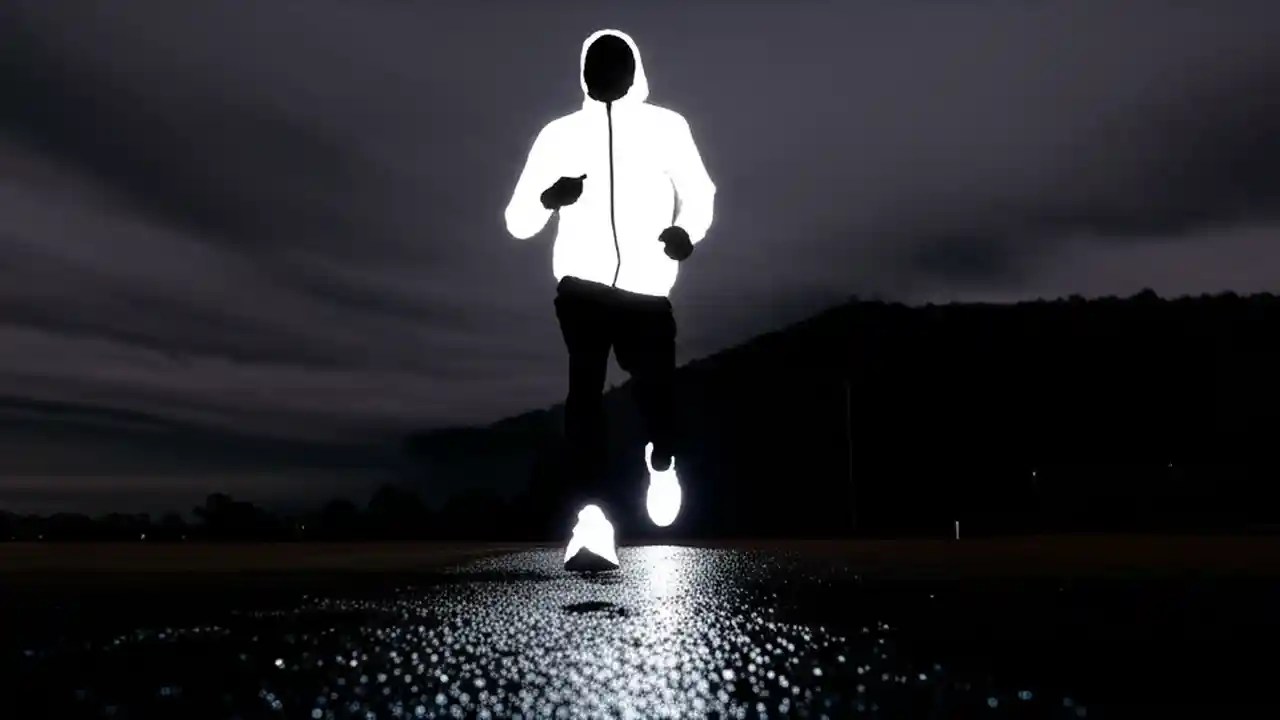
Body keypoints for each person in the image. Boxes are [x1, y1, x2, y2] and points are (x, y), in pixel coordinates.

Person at [504, 29, 716, 571]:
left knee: (657, 395)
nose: (604, 76)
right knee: (584, 396)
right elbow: (517, 219)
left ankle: (662, 460)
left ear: (633, 70)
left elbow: (700, 191)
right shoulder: (559, 136)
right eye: (594, 67)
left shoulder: (667, 127)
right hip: (583, 289)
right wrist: (550, 198)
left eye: (614, 65)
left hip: (647, 289)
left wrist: (685, 231)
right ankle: (592, 522)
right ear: (584, 75)